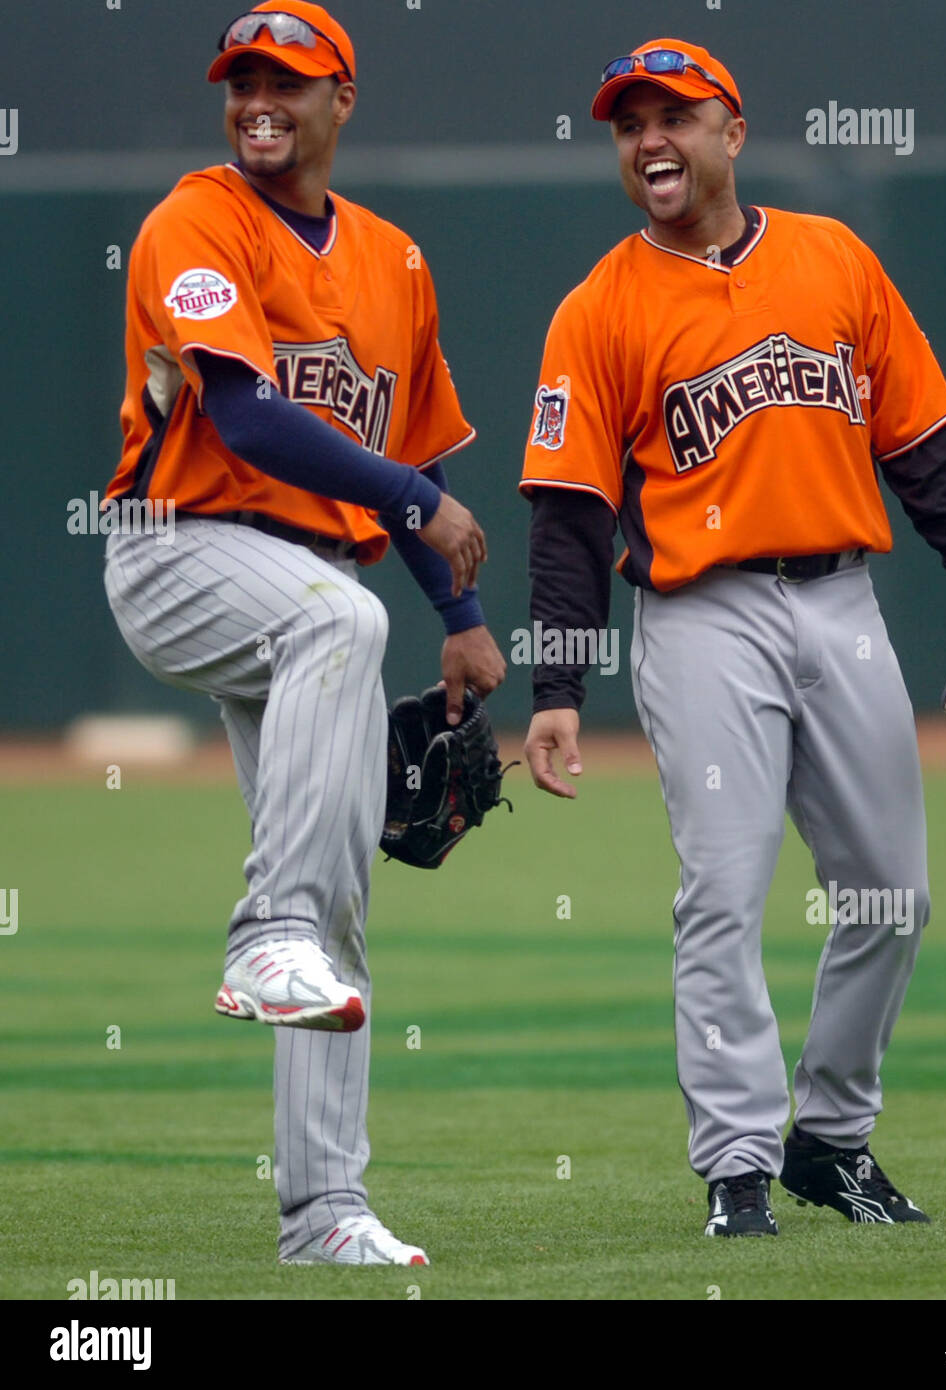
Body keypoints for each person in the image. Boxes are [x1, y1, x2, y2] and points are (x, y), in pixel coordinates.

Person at [520, 39, 946, 1235]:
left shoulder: (831, 259)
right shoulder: (599, 305)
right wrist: (555, 678)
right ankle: (731, 1170)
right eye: (627, 125)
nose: (649, 139)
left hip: (838, 599)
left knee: (889, 896)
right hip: (699, 615)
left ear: (730, 129)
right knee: (722, 892)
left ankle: (828, 1139)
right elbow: (569, 511)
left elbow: (922, 444)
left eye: (672, 115)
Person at [102, 2, 505, 1267]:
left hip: (312, 593)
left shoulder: (395, 261)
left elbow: (417, 447)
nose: (256, 99)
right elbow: (249, 413)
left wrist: (466, 624)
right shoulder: (196, 220)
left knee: (340, 904)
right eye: (240, 80)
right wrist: (416, 509)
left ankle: (323, 1210)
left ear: (342, 100)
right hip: (181, 548)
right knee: (341, 619)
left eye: (285, 79)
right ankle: (262, 928)